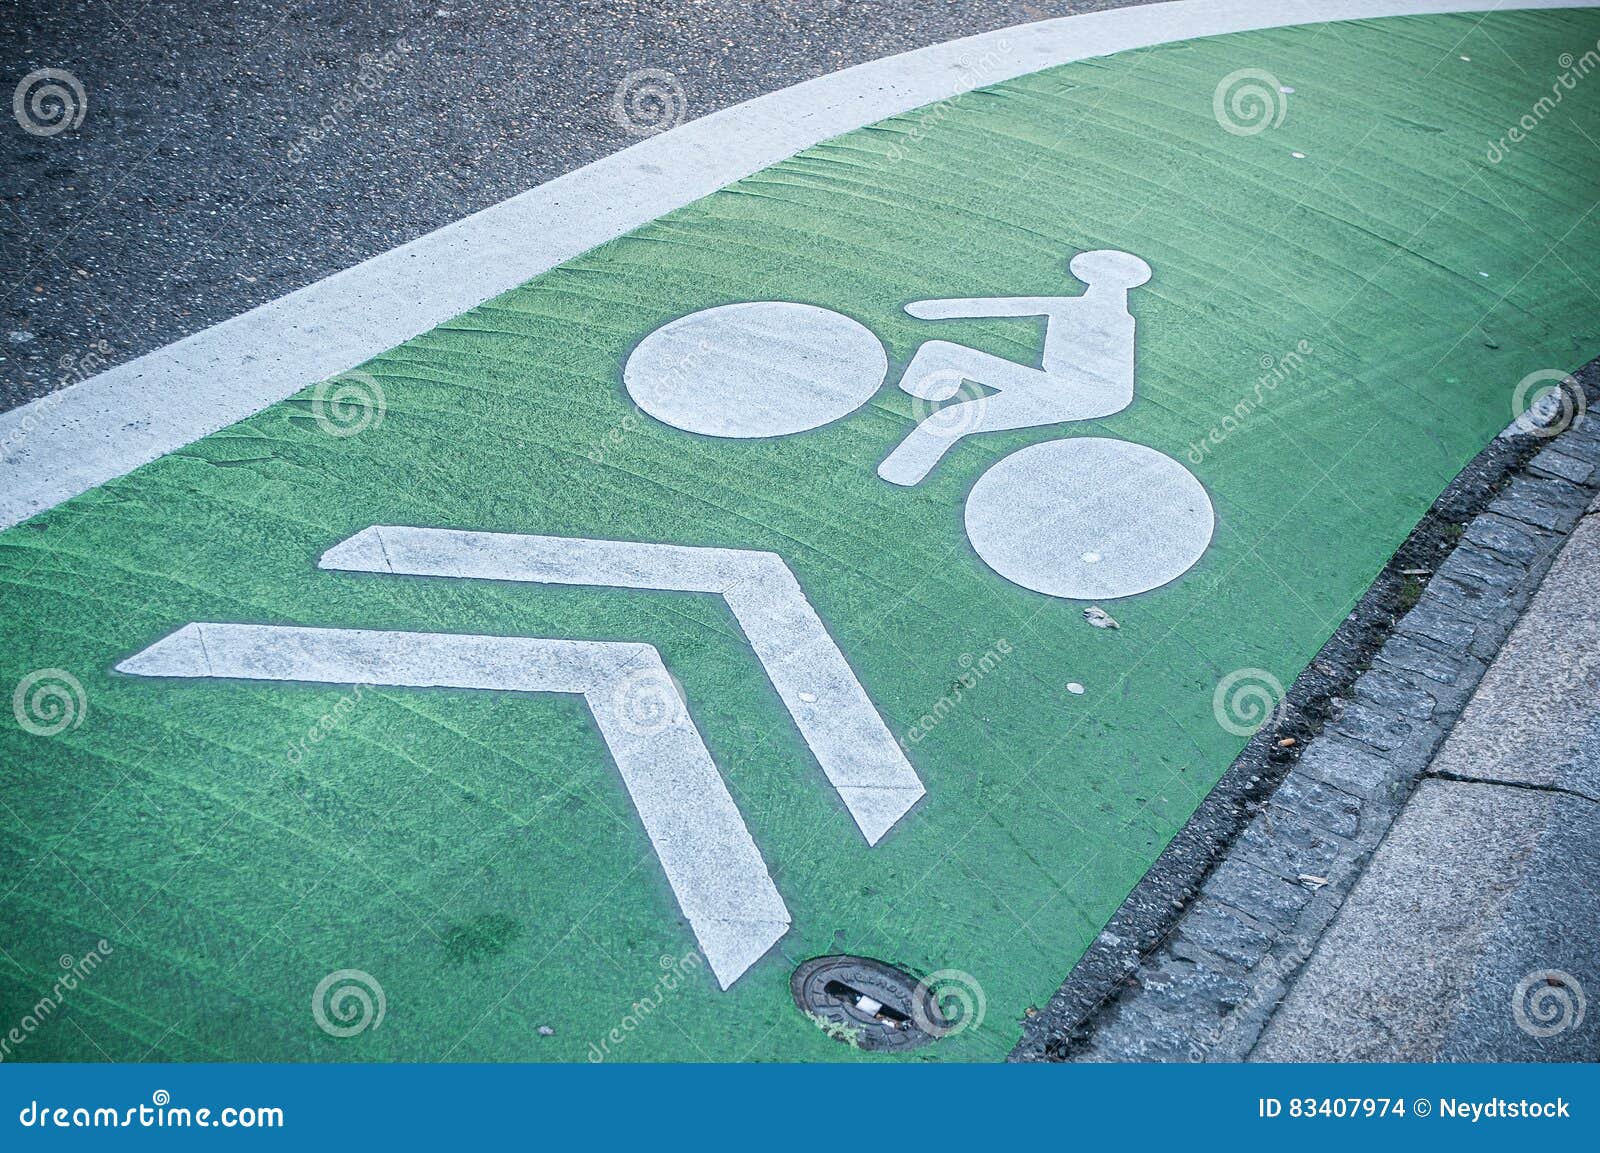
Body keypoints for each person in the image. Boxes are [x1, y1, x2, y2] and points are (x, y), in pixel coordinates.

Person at [877, 249, 1152, 486]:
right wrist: (934, 309)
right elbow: (1003, 306)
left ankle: (899, 474)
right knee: (938, 352)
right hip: (1058, 381)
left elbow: (1008, 306)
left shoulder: (1115, 319)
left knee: (952, 418)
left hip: (1093, 394)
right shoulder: (1078, 308)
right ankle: (925, 394)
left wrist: (934, 310)